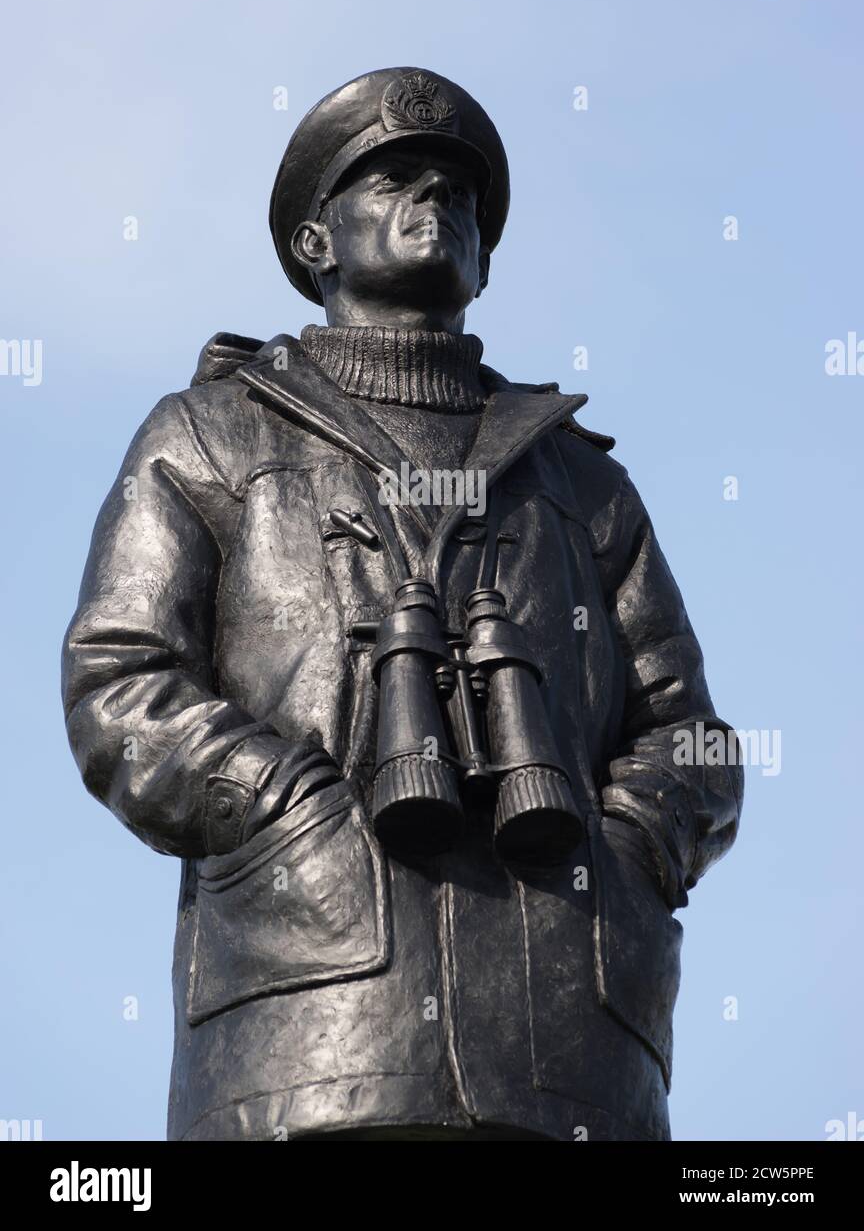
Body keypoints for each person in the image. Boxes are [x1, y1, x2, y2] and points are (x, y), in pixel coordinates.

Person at [62, 67, 743, 1141]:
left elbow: (692, 737)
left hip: (569, 1057)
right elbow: (119, 682)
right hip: (308, 1032)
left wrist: (619, 857)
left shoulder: (583, 481)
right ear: (315, 243)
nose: (437, 200)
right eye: (392, 179)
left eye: (458, 192)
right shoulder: (209, 435)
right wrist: (292, 809)